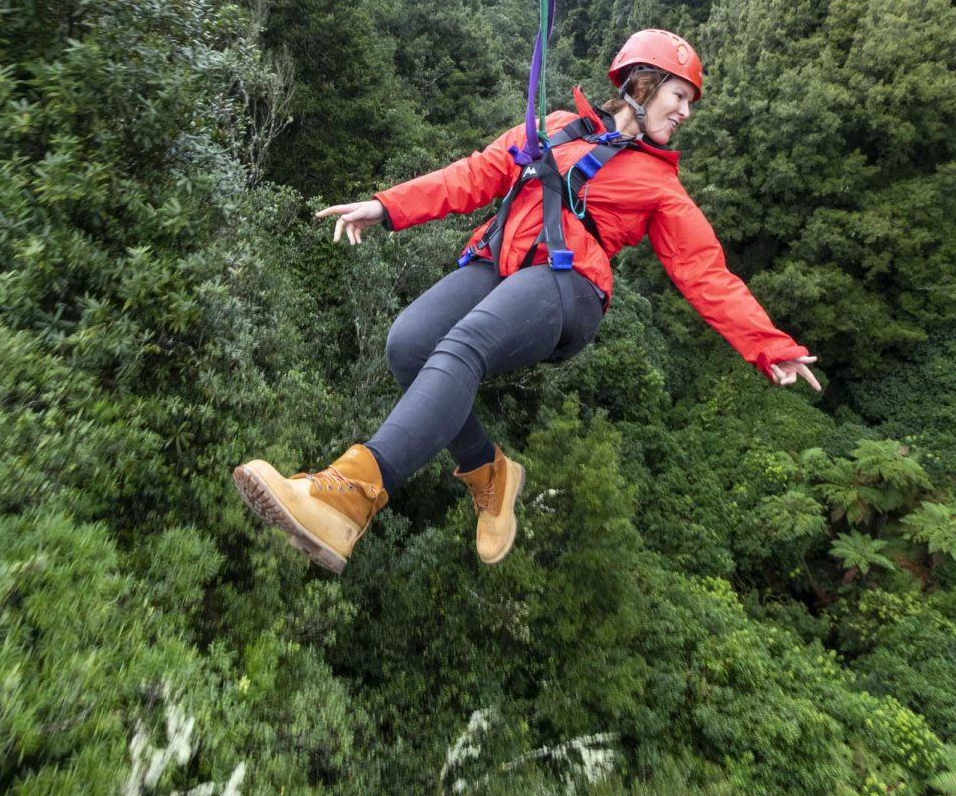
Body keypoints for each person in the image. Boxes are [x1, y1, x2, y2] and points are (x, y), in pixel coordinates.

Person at [233, 29, 820, 575]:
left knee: (464, 344)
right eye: (678, 95)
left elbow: (704, 272)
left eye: (690, 101)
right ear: (639, 87)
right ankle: (490, 474)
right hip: (501, 263)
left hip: (568, 289)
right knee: (408, 345)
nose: (686, 112)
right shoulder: (556, 126)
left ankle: (346, 497)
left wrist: (769, 346)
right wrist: (386, 207)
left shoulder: (661, 187)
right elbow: (475, 175)